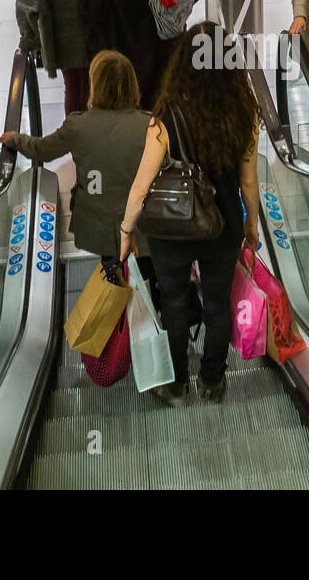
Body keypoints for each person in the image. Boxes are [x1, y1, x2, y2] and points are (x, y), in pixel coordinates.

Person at [119, 21, 262, 406]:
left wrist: (126, 231)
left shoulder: (165, 118)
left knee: (175, 303)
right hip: (223, 224)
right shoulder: (245, 115)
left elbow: (140, 186)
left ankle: (178, 381)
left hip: (172, 229)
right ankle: (214, 380)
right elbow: (249, 184)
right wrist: (251, 223)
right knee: (217, 304)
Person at [0, 51, 159, 304]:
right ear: (132, 84)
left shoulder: (78, 126)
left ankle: (119, 321)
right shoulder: (150, 125)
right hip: (145, 226)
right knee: (149, 274)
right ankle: (153, 314)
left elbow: (42, 149)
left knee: (113, 278)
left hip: (100, 225)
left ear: (95, 86)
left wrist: (15, 139)